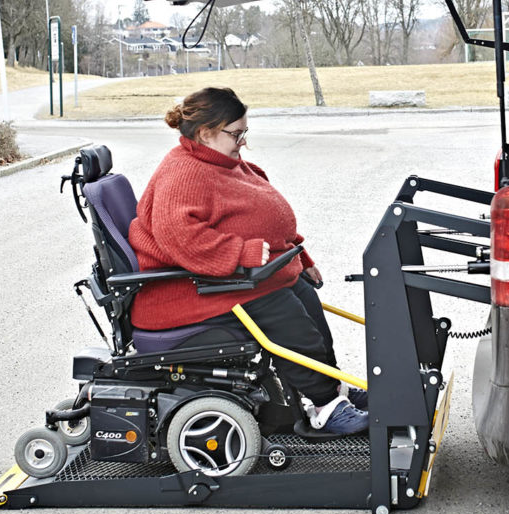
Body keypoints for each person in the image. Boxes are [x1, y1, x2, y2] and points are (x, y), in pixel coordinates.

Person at [128, 87, 368, 436]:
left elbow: (269, 220)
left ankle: (332, 389)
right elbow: (183, 239)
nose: (242, 141)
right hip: (184, 291)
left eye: (244, 133)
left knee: (303, 295)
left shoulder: (222, 162)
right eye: (235, 133)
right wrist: (243, 254)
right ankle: (325, 408)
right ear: (206, 132)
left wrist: (299, 255)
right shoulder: (183, 174)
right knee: (284, 313)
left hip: (225, 279)